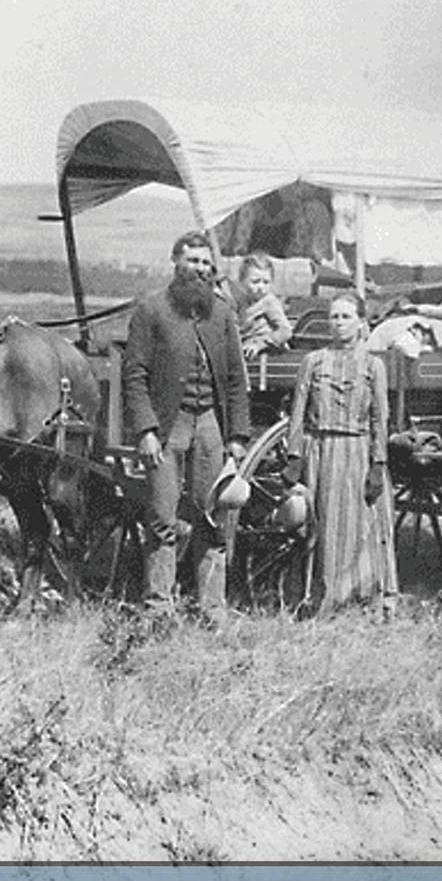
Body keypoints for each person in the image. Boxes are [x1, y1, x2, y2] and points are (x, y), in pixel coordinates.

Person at [122, 230, 251, 618]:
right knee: (162, 518)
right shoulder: (151, 309)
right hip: (167, 426)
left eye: (207, 264)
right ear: (176, 261)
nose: (200, 270)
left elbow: (234, 379)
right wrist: (145, 429)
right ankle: (159, 608)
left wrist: (238, 436)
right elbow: (135, 374)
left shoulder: (222, 314)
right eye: (193, 261)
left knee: (212, 519)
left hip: (210, 423)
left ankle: (213, 609)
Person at [283, 292, 398, 615]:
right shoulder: (313, 362)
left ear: (361, 323)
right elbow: (298, 412)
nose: (339, 323)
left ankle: (363, 597)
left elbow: (380, 417)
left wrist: (378, 463)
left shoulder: (374, 365)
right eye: (334, 317)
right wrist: (295, 457)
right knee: (323, 527)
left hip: (358, 452)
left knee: (361, 527)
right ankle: (320, 599)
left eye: (346, 317)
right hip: (322, 452)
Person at [227, 252, 292, 357]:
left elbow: (286, 331)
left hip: (268, 351)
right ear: (242, 281)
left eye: (266, 282)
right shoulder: (241, 300)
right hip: (245, 347)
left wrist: (261, 343)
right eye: (255, 282)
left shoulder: (269, 301)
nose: (261, 287)